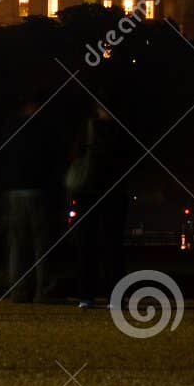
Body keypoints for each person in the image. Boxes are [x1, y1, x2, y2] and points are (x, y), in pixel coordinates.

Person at [0, 98, 66, 302]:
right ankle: (44, 289)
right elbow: (55, 160)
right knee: (43, 243)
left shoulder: (11, 129)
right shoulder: (45, 129)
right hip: (39, 190)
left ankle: (19, 290)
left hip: (15, 190)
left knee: (18, 244)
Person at [67, 102, 129, 307]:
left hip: (88, 191)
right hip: (113, 191)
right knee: (113, 246)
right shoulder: (121, 131)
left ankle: (86, 295)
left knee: (86, 245)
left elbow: (75, 156)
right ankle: (115, 295)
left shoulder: (86, 129)